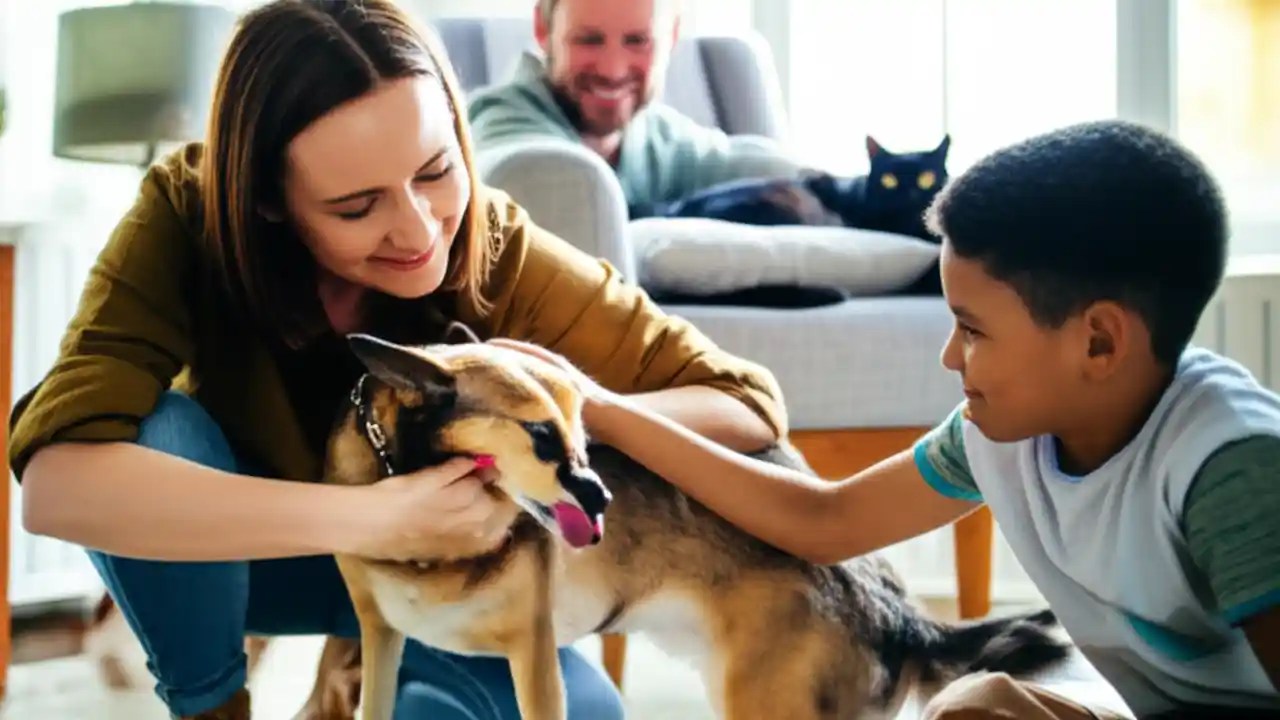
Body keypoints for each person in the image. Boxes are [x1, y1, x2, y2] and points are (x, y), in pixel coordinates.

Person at [7, 2, 787, 719]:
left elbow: (746, 402)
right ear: (267, 200)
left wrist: (571, 404)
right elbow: (59, 487)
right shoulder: (189, 210)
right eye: (356, 206)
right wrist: (374, 516)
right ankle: (213, 707)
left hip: (439, 575)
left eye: (436, 171)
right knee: (153, 431)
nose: (418, 232)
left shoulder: (495, 241)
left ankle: (368, 685)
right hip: (241, 564)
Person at [499, 119, 1280, 719]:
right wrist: (601, 410)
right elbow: (825, 520)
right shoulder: (1002, 437)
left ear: (1099, 340)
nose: (950, 357)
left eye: (972, 330)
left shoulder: (1231, 472)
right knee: (976, 706)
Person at [465, 0, 800, 211]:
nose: (613, 70)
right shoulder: (494, 122)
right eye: (588, 40)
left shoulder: (659, 136)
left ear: (671, 36)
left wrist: (838, 191)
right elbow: (555, 188)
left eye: (638, 41)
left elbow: (748, 164)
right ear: (543, 29)